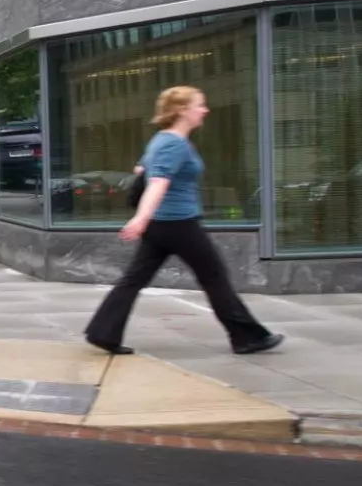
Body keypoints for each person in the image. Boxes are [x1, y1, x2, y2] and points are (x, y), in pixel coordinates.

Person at [84, 86, 283, 357]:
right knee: (214, 277)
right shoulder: (173, 144)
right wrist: (140, 219)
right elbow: (157, 183)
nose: (205, 110)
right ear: (182, 110)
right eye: (200, 105)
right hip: (178, 223)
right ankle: (246, 337)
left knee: (134, 279)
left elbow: (140, 169)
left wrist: (146, 217)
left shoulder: (161, 141)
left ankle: (103, 333)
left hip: (161, 224)